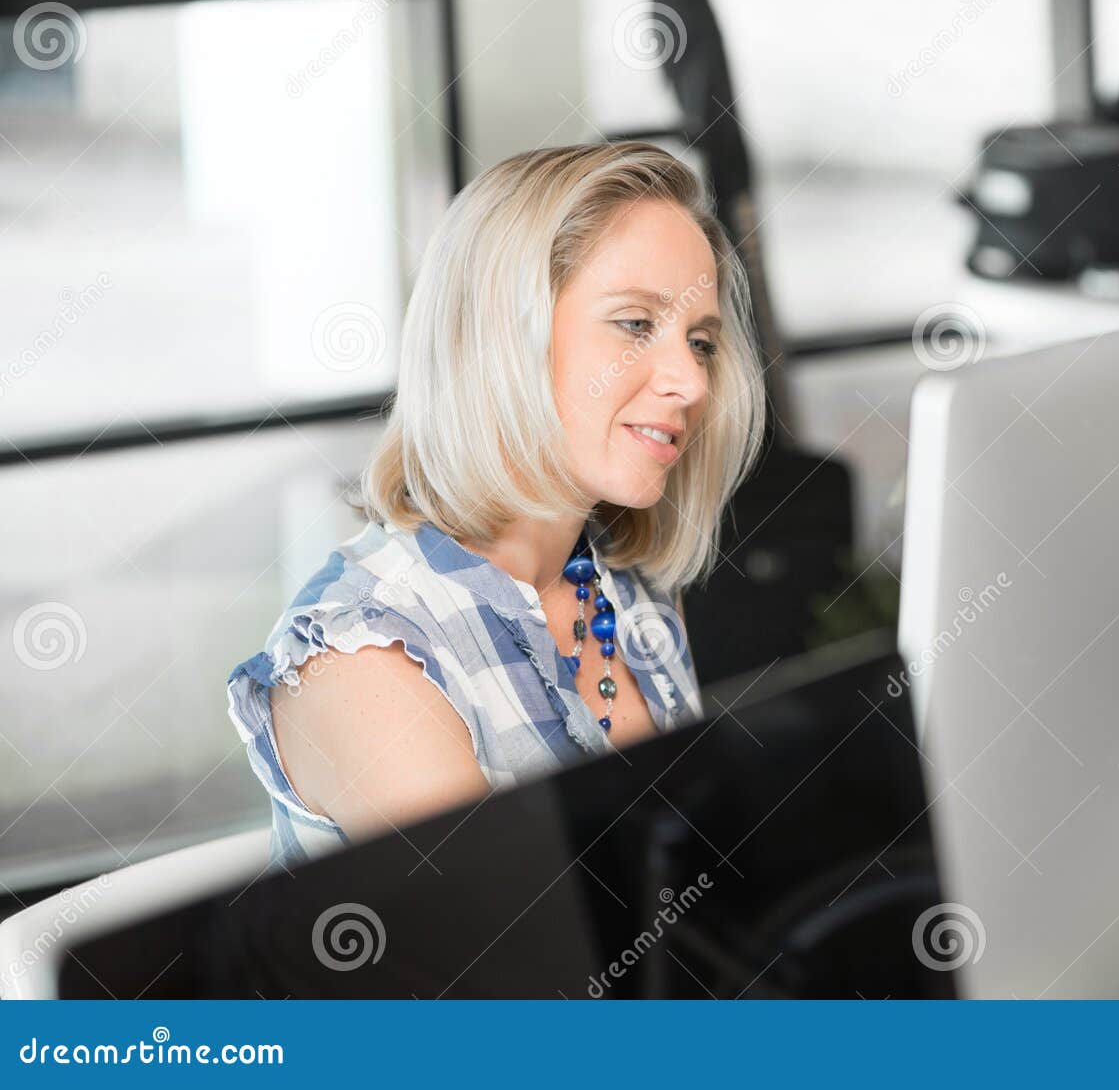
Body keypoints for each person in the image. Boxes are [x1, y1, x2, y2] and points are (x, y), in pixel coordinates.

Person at [226, 143, 767, 870]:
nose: (691, 381)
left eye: (700, 342)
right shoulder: (367, 656)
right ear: (500, 334)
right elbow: (523, 965)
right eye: (635, 324)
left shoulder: (631, 600)